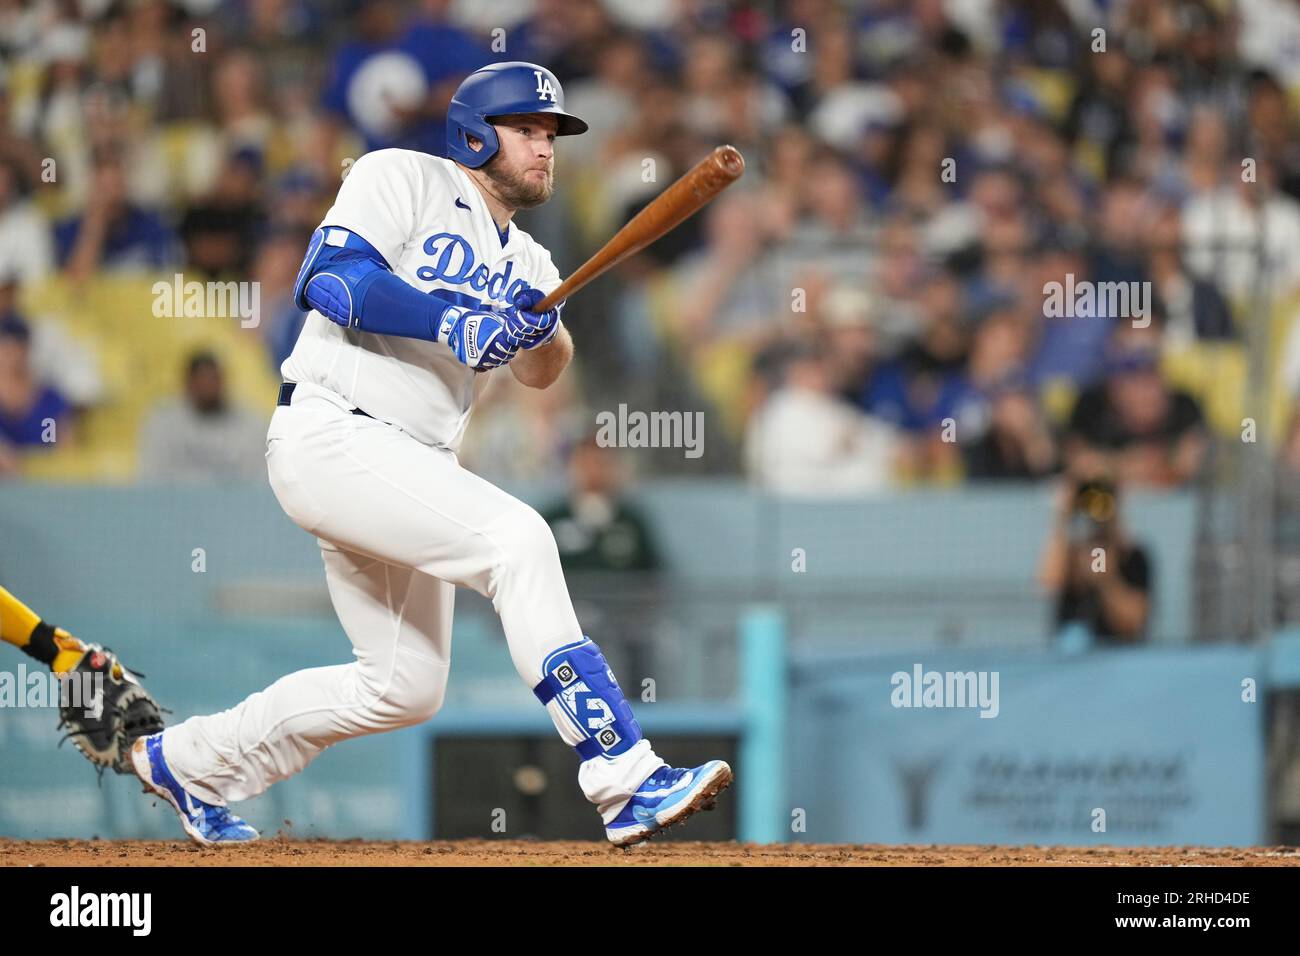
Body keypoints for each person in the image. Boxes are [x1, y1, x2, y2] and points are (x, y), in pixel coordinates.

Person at [129, 63, 732, 848]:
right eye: (527, 132)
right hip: (334, 433)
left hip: (411, 463)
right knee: (519, 541)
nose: (545, 149)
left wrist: (539, 329)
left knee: (401, 688)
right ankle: (623, 772)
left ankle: (190, 761)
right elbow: (330, 282)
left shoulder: (535, 264)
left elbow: (545, 374)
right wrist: (455, 322)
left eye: (551, 136)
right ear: (476, 134)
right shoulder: (402, 177)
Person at [1038, 474, 1152, 646]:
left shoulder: (1133, 556)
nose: (1095, 514)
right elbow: (1048, 583)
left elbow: (1133, 624)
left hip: (1119, 654)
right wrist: (1062, 517)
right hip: (1070, 658)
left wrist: (1105, 580)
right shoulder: (1071, 553)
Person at [137, 352, 268, 481]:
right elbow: (153, 477)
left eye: (213, 379)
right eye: (202, 380)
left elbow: (260, 479)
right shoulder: (164, 423)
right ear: (188, 383)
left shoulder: (251, 424)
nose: (208, 387)